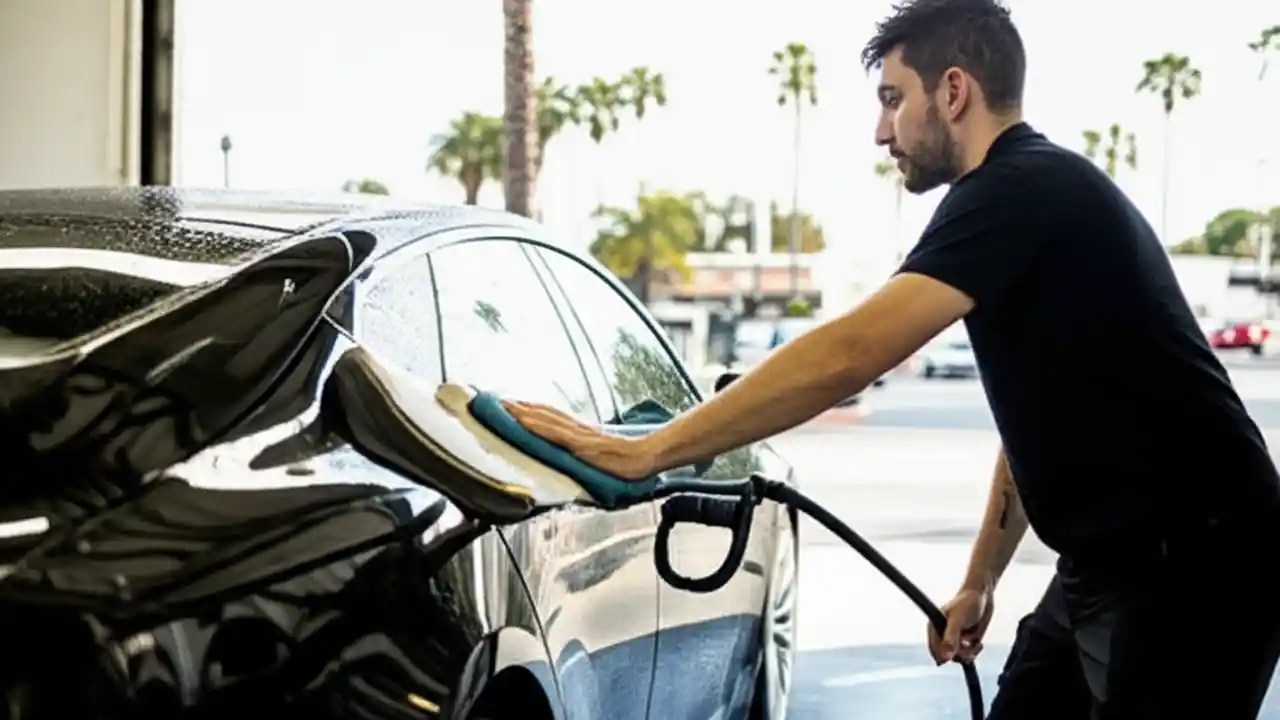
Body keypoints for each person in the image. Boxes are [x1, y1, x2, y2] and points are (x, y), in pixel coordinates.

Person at [505, 0, 1280, 716]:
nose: (881, 133)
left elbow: (849, 352)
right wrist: (978, 580)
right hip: (1106, 566)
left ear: (953, 92)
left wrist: (648, 451)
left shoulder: (1018, 190)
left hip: (1197, 571)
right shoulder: (1023, 200)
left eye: (891, 99)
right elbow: (1040, 423)